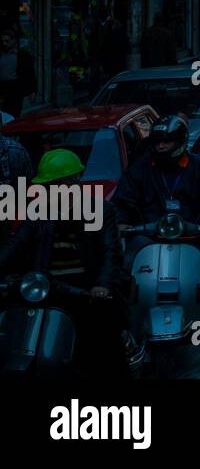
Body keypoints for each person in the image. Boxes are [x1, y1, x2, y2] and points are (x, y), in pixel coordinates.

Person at [113, 114, 200, 375]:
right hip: (148, 239)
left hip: (189, 238)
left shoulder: (199, 168)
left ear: (180, 141)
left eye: (167, 141)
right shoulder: (141, 168)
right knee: (128, 288)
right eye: (157, 141)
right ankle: (127, 344)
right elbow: (122, 200)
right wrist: (121, 222)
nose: (161, 146)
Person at [0, 149, 130, 376]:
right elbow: (15, 247)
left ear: (73, 183)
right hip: (47, 288)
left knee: (104, 344)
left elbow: (111, 254)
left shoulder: (100, 211)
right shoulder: (38, 213)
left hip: (86, 291)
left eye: (54, 185)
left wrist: (102, 286)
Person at [0, 27, 37, 119]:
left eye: (7, 41)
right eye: (3, 41)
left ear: (13, 41)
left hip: (15, 88)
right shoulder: (1, 54)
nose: (4, 44)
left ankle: (12, 131)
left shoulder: (22, 56)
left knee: (13, 114)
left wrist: (32, 91)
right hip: (2, 88)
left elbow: (29, 73)